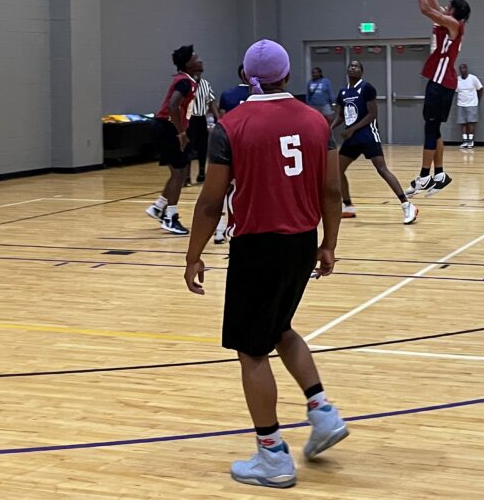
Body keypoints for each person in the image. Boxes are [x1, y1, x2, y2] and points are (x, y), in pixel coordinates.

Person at [184, 39, 349, 489]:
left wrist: (194, 253)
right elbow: (332, 190)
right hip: (302, 241)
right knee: (280, 328)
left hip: (257, 247)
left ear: (245, 77)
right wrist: (329, 244)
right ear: (288, 75)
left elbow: (210, 202)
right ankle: (322, 411)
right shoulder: (316, 121)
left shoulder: (231, 125)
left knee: (252, 350)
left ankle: (272, 455)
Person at [406, 0, 470, 195]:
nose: (444, 6)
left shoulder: (453, 24)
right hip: (443, 82)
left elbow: (425, 8)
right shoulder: (450, 21)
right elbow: (432, 2)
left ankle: (424, 176)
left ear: (453, 11)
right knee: (434, 129)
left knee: (430, 129)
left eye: (448, 6)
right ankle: (440, 174)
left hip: (441, 83)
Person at [333, 59, 419, 225]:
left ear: (362, 71)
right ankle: (348, 206)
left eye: (356, 66)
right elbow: (340, 116)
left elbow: (372, 114)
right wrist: (327, 128)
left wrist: (352, 129)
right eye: (351, 65)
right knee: (337, 169)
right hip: (352, 138)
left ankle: (407, 205)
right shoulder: (343, 92)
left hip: (367, 135)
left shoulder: (367, 88)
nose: (353, 68)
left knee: (382, 169)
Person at [145, 45, 198, 235]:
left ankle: (158, 207)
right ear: (188, 63)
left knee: (180, 171)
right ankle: (170, 218)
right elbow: (173, 106)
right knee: (178, 173)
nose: (200, 60)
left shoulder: (188, 80)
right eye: (196, 58)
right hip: (167, 127)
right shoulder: (184, 82)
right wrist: (181, 133)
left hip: (167, 127)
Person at [184, 58, 217, 186]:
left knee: (203, 147)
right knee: (188, 147)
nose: (198, 73)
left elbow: (211, 101)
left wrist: (218, 117)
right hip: (189, 119)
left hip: (201, 118)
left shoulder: (205, 84)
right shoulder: (186, 84)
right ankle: (187, 176)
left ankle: (202, 173)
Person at [454, 63, 484, 150]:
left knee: (471, 122)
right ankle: (465, 141)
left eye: (464, 68)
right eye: (461, 68)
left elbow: (480, 89)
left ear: (466, 69)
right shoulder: (458, 80)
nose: (462, 70)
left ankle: (471, 141)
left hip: (472, 104)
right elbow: (456, 91)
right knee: (463, 123)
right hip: (461, 104)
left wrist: (478, 100)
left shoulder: (473, 78)